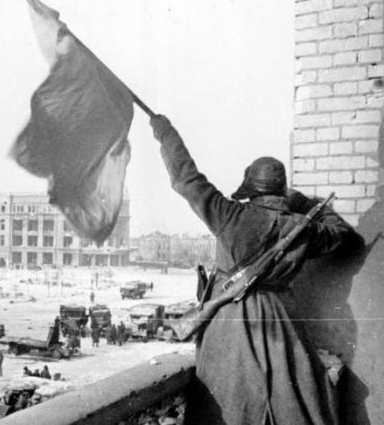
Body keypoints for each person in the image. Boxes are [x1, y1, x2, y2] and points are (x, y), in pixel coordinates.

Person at [148, 113, 362, 425]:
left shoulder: (230, 215)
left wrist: (166, 134)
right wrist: (300, 203)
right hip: (280, 322)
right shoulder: (303, 228)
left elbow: (186, 179)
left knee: (227, 404)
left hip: (229, 323)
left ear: (251, 187)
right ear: (281, 189)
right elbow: (340, 233)